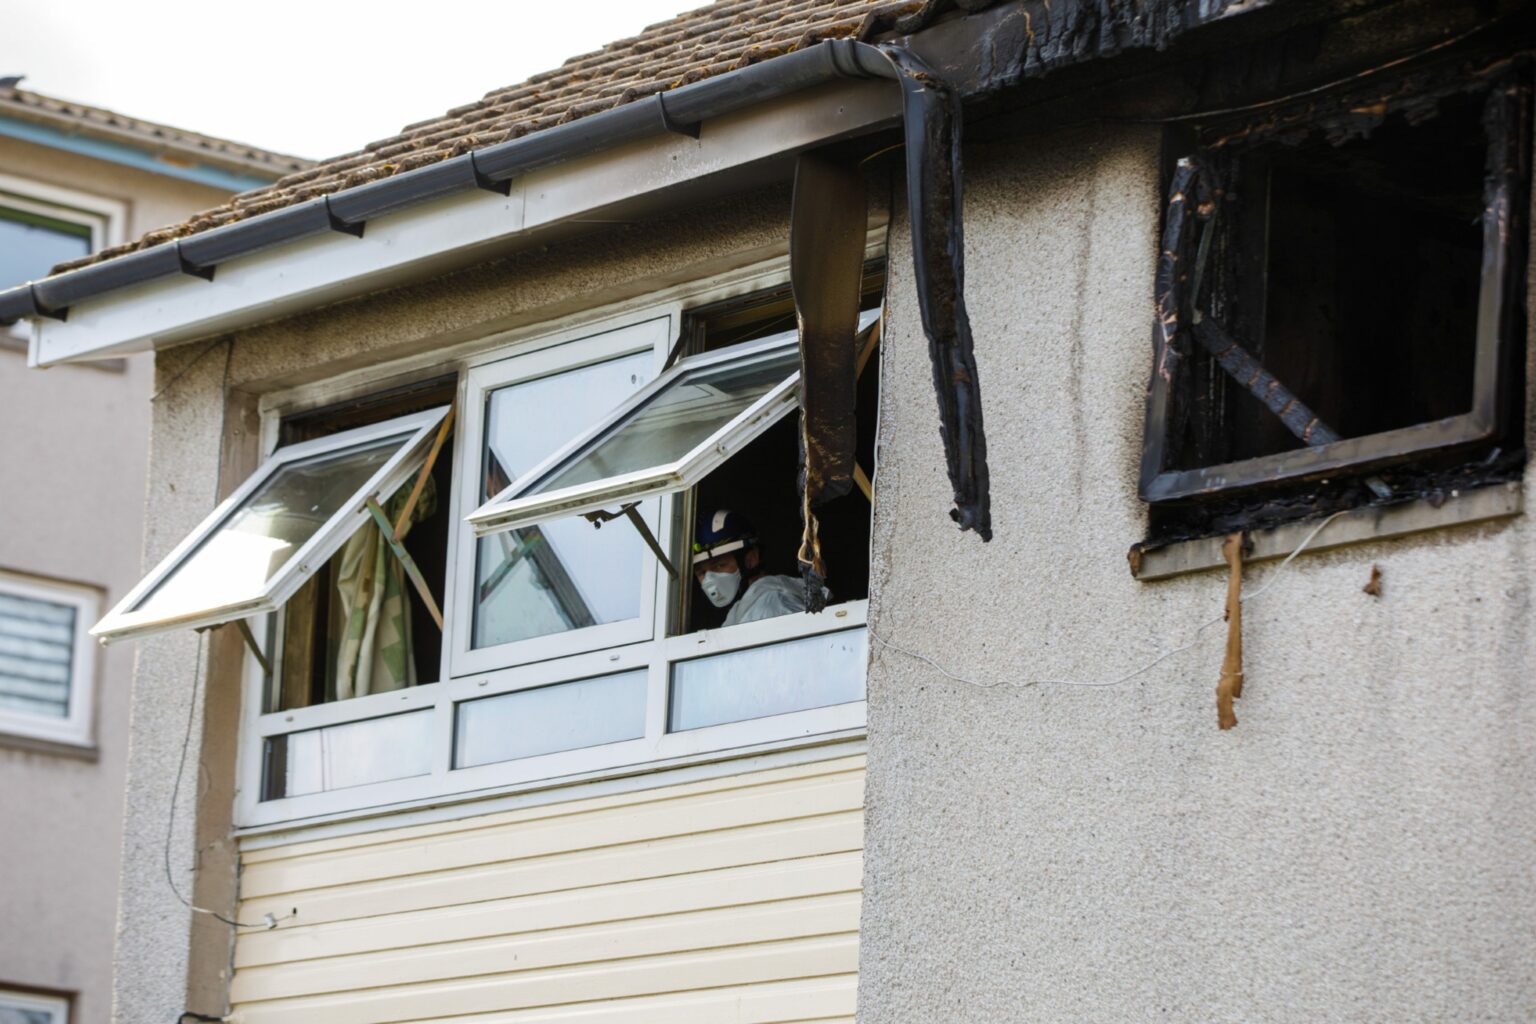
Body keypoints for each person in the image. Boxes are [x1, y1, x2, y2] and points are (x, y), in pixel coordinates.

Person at [691, 509, 816, 627]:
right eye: (701, 572)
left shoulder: (774, 605)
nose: (709, 579)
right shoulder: (744, 611)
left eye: (719, 565)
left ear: (751, 559)